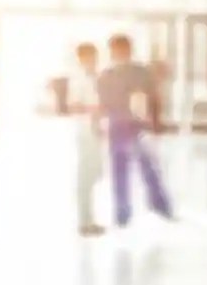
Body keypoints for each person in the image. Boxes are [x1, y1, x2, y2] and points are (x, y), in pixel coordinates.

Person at [96, 34, 173, 227]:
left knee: (147, 166)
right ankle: (123, 211)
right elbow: (102, 103)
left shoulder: (141, 72)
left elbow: (154, 97)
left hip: (138, 125)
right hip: (118, 125)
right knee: (121, 168)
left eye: (123, 49)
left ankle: (159, 204)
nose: (121, 53)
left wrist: (155, 122)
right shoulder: (107, 75)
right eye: (117, 50)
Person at [68, 42, 105, 236]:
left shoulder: (94, 77)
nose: (94, 61)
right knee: (85, 177)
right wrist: (92, 110)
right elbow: (73, 105)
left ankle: (89, 220)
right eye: (91, 57)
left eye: (95, 57)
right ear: (82, 58)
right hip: (85, 131)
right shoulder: (78, 78)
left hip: (94, 129)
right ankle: (85, 222)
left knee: (94, 174)